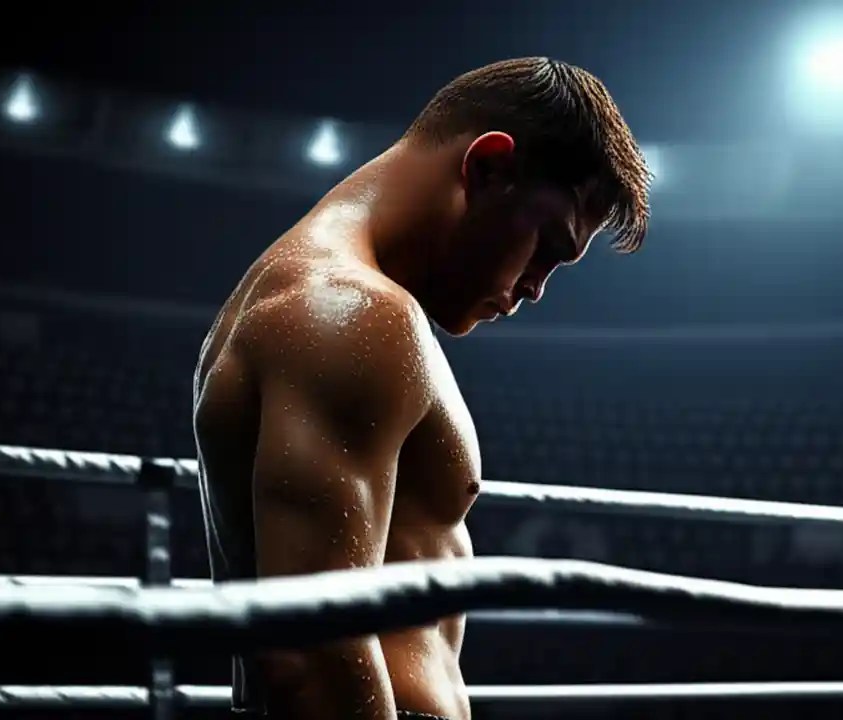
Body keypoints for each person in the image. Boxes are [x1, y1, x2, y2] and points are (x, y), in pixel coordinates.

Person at [192, 57, 652, 720]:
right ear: (488, 167)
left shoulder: (301, 293)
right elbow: (312, 655)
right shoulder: (352, 311)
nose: (536, 288)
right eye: (547, 244)